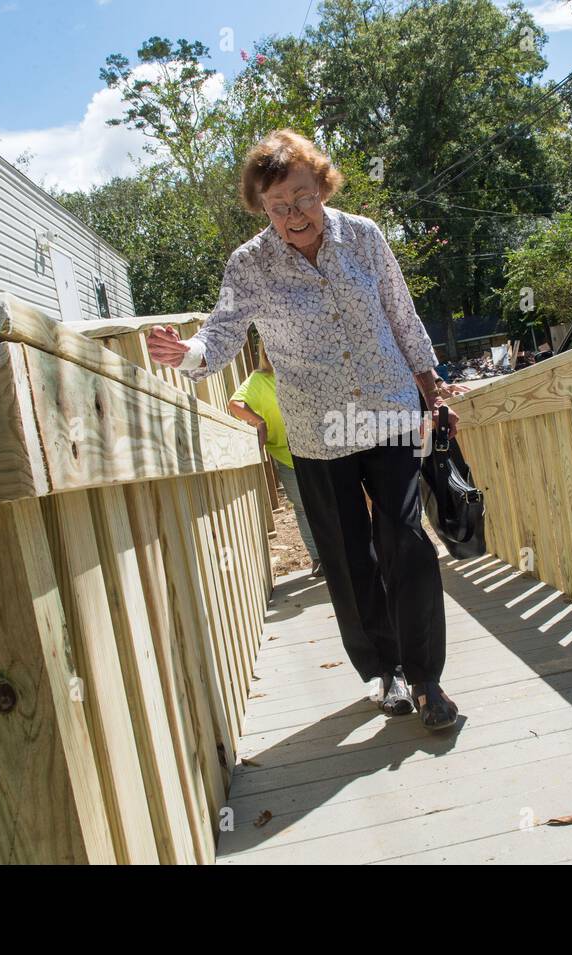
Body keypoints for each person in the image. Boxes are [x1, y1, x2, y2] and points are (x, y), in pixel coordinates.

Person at [147, 129, 460, 731]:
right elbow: (221, 335)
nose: (293, 215)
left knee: (405, 539)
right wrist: (184, 354)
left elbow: (401, 312)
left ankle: (427, 681)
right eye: (277, 206)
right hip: (316, 433)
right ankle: (384, 670)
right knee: (347, 557)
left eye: (303, 198)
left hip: (389, 412)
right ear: (262, 209)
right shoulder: (250, 265)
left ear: (323, 186)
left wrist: (431, 389)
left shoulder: (364, 238)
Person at [227, 343, 323, 577]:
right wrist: (259, 421)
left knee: (333, 502)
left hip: (321, 449)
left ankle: (345, 551)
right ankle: (318, 558)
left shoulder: (304, 369)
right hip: (286, 455)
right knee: (303, 507)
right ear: (265, 352)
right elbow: (235, 404)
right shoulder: (259, 380)